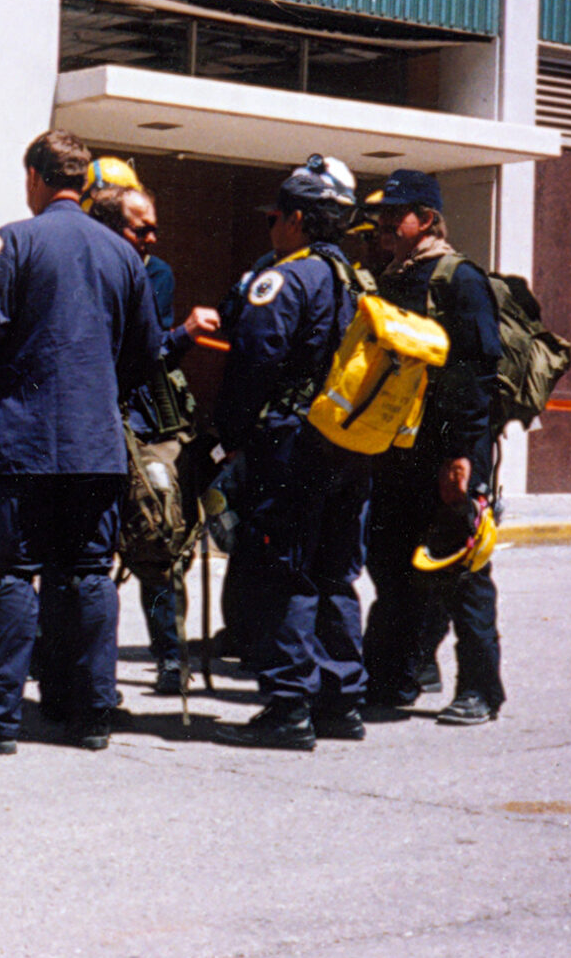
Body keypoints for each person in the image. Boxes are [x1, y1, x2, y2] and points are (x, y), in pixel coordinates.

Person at [0, 130, 160, 754]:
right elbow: (145, 355)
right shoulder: (121, 255)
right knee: (88, 574)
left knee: (13, 573)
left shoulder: (14, 241)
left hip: (24, 440)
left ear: (33, 175)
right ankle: (88, 714)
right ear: (84, 183)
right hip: (96, 444)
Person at [210, 156, 371, 751]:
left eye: (276, 216)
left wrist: (226, 436)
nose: (272, 227)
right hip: (348, 447)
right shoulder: (355, 279)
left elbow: (252, 364)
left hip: (291, 446)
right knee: (335, 573)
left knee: (286, 572)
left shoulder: (285, 278)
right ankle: (341, 702)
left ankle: (288, 706)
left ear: (298, 218)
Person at [360, 170, 506, 726]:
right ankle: (394, 676)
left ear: (427, 220)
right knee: (393, 569)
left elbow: (475, 373)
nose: (386, 225)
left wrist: (464, 457)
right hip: (399, 452)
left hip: (450, 454)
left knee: (461, 573)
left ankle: (481, 690)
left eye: (397, 215)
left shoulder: (458, 278)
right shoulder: (394, 276)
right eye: (383, 216)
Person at [87, 175, 221, 693]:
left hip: (147, 427)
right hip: (97, 422)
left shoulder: (154, 273)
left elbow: (148, 352)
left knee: (159, 542)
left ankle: (171, 658)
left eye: (152, 230)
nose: (151, 240)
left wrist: (182, 334)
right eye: (140, 230)